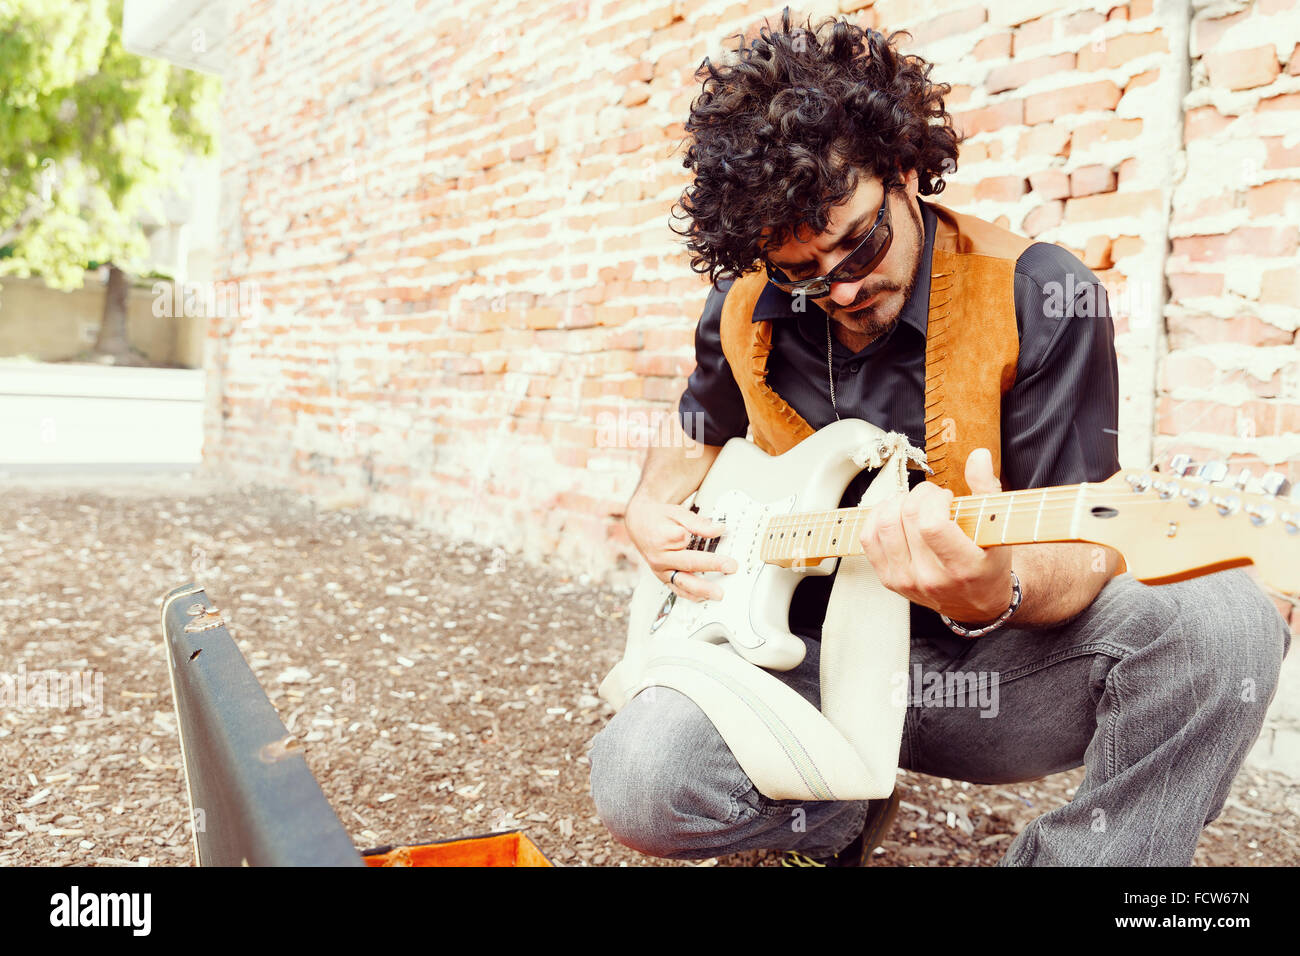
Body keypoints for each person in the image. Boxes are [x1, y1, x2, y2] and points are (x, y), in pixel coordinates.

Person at [587, 10, 1291, 866]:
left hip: (984, 676)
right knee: (640, 779)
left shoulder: (1040, 295)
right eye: (801, 274)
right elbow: (699, 427)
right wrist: (647, 509)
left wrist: (991, 591)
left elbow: (1088, 552)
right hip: (791, 662)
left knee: (1226, 621)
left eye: (860, 245)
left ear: (908, 168)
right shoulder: (743, 305)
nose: (840, 290)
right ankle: (840, 813)